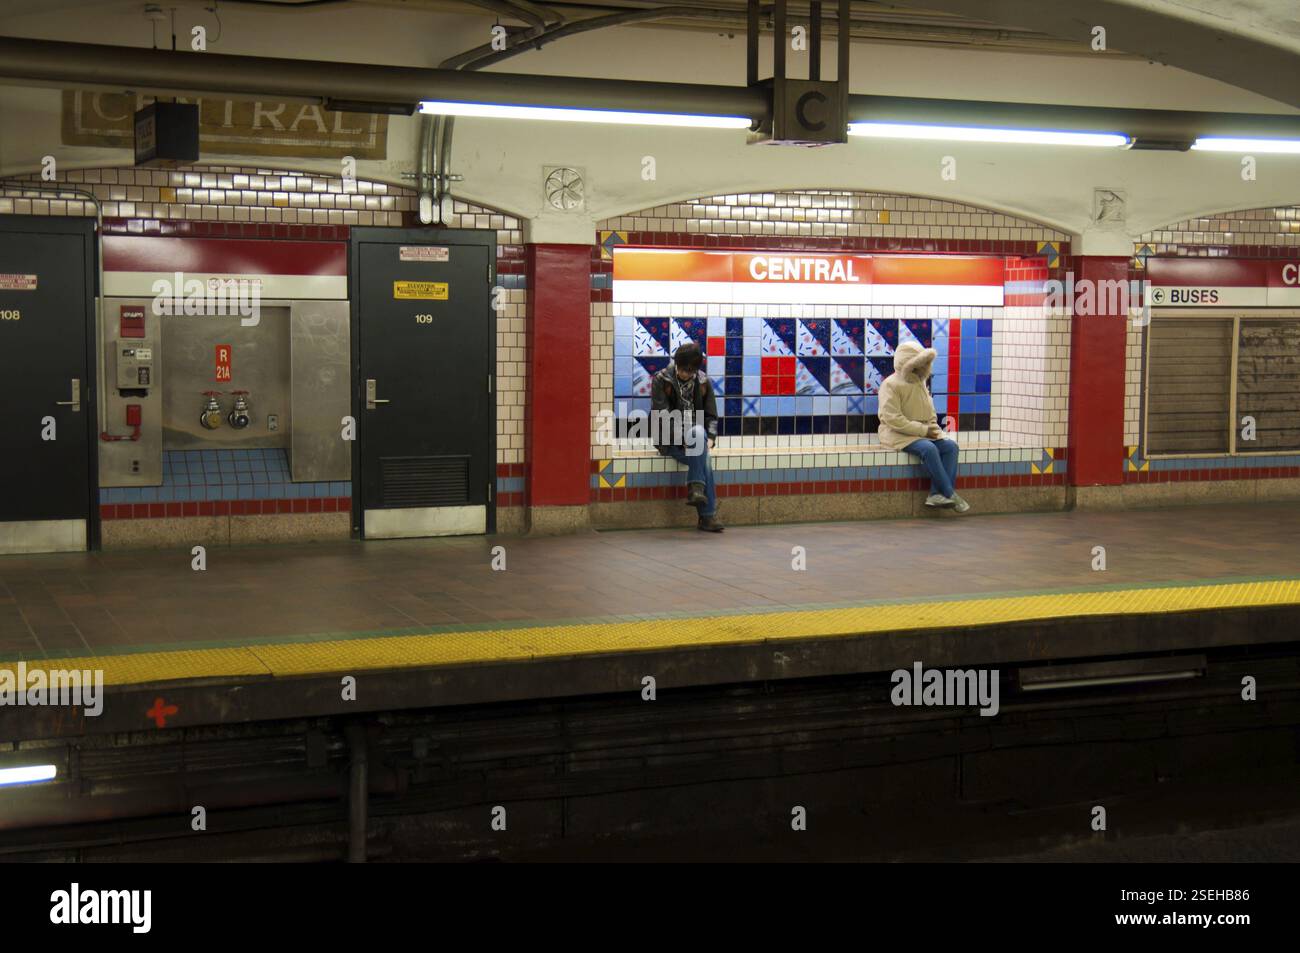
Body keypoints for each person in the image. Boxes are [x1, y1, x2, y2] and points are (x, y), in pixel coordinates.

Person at [877, 340, 970, 514]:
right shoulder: (890, 384)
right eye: (919, 364)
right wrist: (923, 430)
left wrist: (934, 429)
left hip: (922, 433)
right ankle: (950, 493)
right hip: (896, 434)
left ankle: (936, 494)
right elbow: (892, 418)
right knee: (929, 449)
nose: (923, 368)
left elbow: (930, 412)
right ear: (908, 364)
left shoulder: (921, 383)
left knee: (950, 447)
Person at [651, 342, 725, 532]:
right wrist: (680, 438)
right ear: (676, 363)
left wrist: (711, 438)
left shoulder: (703, 381)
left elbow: (711, 416)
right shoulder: (661, 379)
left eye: (690, 372)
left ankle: (697, 490)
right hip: (670, 440)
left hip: (696, 437)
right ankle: (706, 514)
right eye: (683, 370)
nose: (686, 374)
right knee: (704, 460)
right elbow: (662, 414)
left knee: (699, 436)